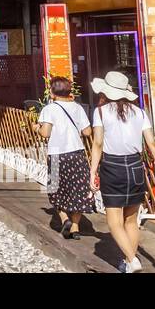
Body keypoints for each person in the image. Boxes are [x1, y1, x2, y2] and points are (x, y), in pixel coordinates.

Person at [89, 70, 155, 273]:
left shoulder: (100, 112)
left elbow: (97, 144)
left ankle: (132, 260)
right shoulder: (140, 112)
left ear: (106, 92)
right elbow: (152, 143)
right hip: (135, 166)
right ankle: (127, 261)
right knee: (131, 220)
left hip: (113, 167)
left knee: (114, 221)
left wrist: (92, 172)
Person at [37, 76, 94, 240]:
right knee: (79, 190)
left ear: (52, 93)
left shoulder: (50, 109)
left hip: (56, 154)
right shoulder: (78, 108)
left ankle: (65, 219)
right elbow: (87, 132)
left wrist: (37, 128)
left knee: (55, 189)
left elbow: (45, 133)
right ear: (70, 92)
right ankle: (75, 227)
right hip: (76, 153)